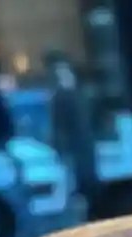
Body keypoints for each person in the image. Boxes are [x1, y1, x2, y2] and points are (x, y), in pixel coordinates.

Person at [46, 52, 100, 206]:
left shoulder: (74, 94)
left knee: (86, 177)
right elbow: (61, 124)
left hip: (82, 143)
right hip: (76, 144)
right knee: (81, 177)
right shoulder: (64, 96)